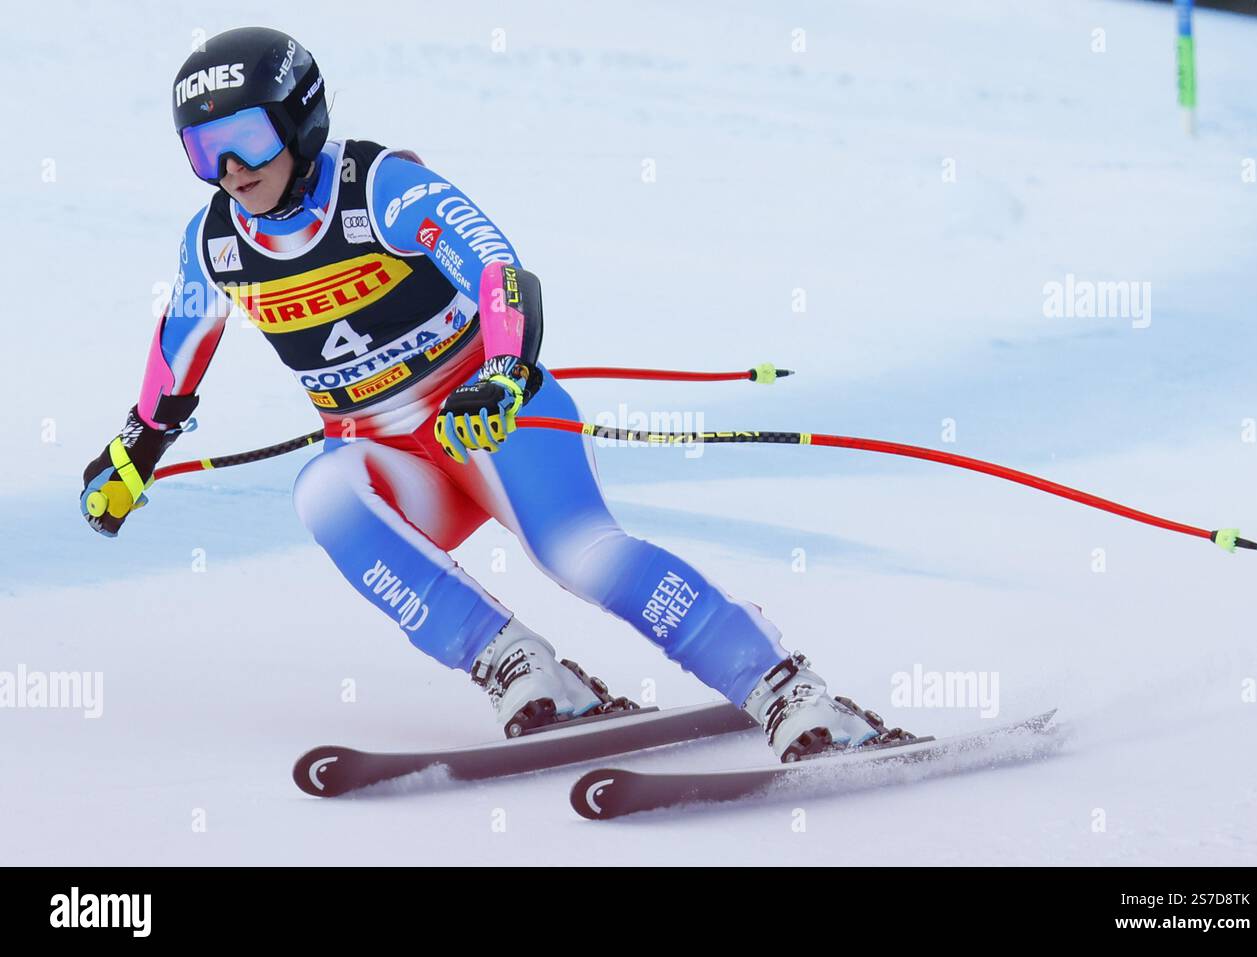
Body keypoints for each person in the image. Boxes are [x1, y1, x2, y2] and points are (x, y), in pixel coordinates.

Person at [79, 26, 911, 761]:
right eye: (202, 150)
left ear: (300, 119)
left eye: (249, 140)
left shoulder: (378, 189)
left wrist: (503, 373)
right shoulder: (216, 240)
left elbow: (499, 273)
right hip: (389, 453)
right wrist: (133, 455)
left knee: (582, 557)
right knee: (324, 491)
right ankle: (518, 663)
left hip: (493, 421)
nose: (229, 171)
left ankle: (787, 689)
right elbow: (178, 348)